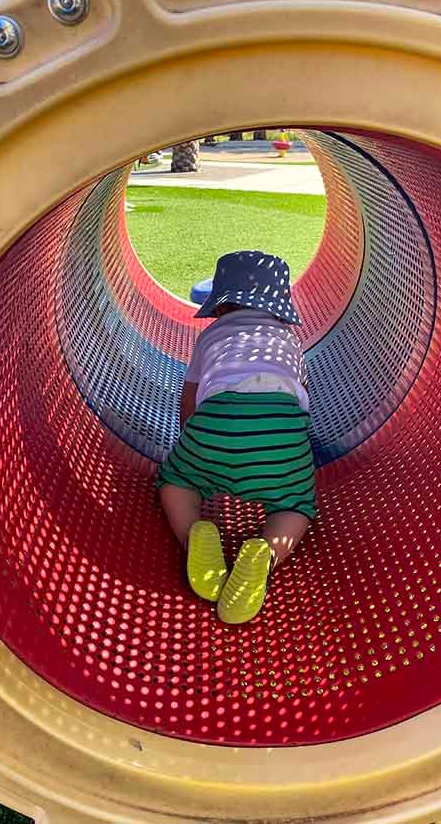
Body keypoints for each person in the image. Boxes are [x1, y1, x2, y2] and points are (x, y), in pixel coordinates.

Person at [158, 250, 316, 625]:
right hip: (282, 434)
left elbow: (191, 398)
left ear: (221, 306)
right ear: (280, 309)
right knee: (295, 506)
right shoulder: (290, 342)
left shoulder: (213, 335)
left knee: (174, 484)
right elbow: (302, 403)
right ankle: (266, 550)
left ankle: (193, 531)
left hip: (215, 425)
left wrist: (194, 447)